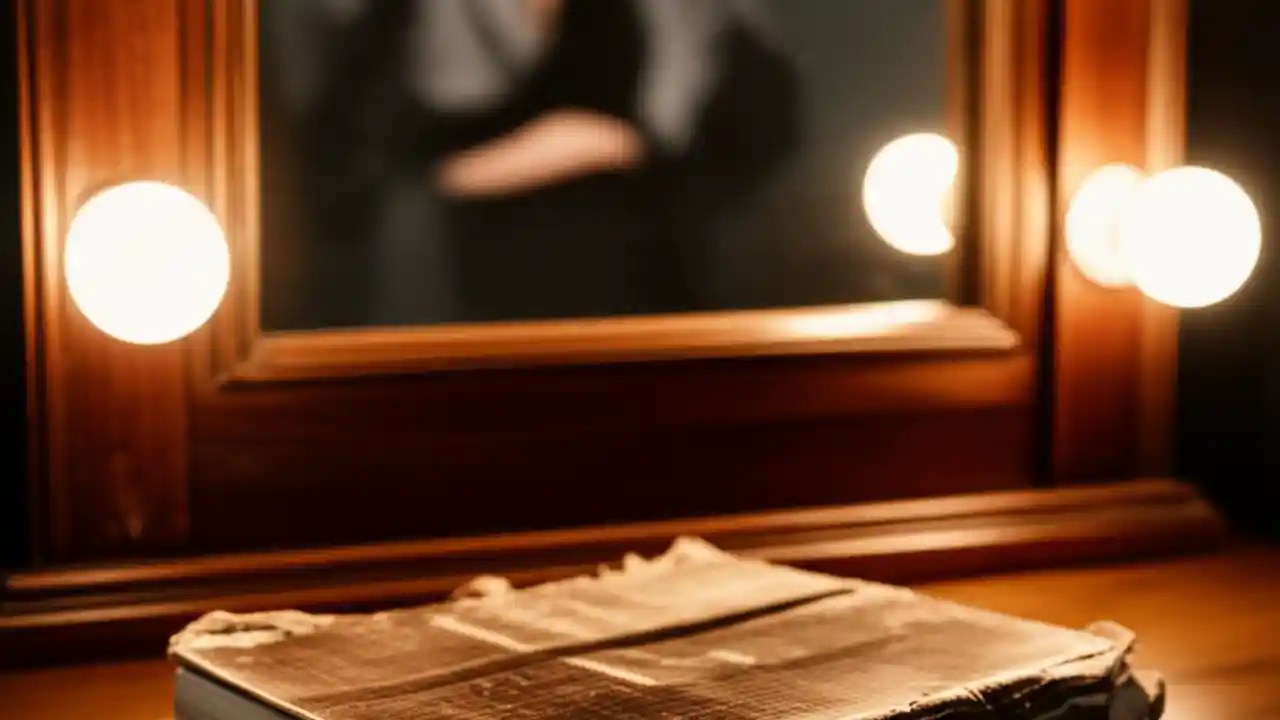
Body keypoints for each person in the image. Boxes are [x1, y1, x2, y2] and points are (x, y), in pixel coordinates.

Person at [261, 0, 800, 326]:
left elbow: (751, 138)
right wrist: (523, 158)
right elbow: (334, 168)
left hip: (643, 290)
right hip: (455, 295)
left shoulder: (680, 22)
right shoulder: (388, 24)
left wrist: (621, 145)